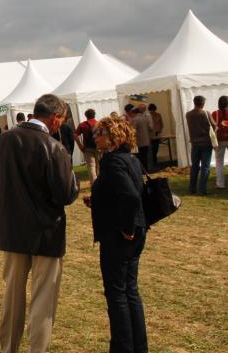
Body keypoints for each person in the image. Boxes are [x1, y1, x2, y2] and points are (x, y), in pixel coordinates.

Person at [0, 94, 80, 353]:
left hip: (13, 229)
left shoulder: (4, 140)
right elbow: (65, 194)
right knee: (43, 300)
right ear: (55, 117)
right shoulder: (54, 147)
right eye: (61, 120)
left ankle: (8, 349)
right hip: (46, 232)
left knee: (12, 295)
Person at [86, 115, 149, 353]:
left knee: (117, 294)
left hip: (120, 236)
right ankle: (138, 347)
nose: (95, 138)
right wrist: (98, 200)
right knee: (130, 290)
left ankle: (123, 347)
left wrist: (126, 228)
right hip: (135, 232)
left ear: (113, 137)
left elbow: (131, 196)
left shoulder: (113, 162)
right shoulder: (130, 159)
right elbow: (125, 193)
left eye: (99, 133)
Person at [185, 95, 217, 195]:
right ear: (203, 103)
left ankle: (192, 188)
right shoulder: (206, 113)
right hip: (206, 143)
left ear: (194, 102)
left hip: (194, 143)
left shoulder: (188, 114)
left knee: (194, 166)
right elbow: (214, 125)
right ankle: (202, 189)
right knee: (205, 167)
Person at [75, 109, 99, 187]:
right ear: (94, 115)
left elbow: (75, 135)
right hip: (99, 147)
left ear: (86, 116)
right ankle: (100, 183)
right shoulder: (99, 124)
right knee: (99, 166)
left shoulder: (82, 125)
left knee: (91, 166)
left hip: (88, 148)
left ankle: (94, 185)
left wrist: (80, 146)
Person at [147, 104, 163, 168]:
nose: (152, 111)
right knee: (152, 149)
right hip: (150, 135)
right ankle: (153, 162)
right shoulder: (148, 116)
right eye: (151, 110)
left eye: (153, 110)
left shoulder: (158, 115)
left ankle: (154, 161)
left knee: (156, 148)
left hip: (157, 134)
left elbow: (161, 124)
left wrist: (160, 130)